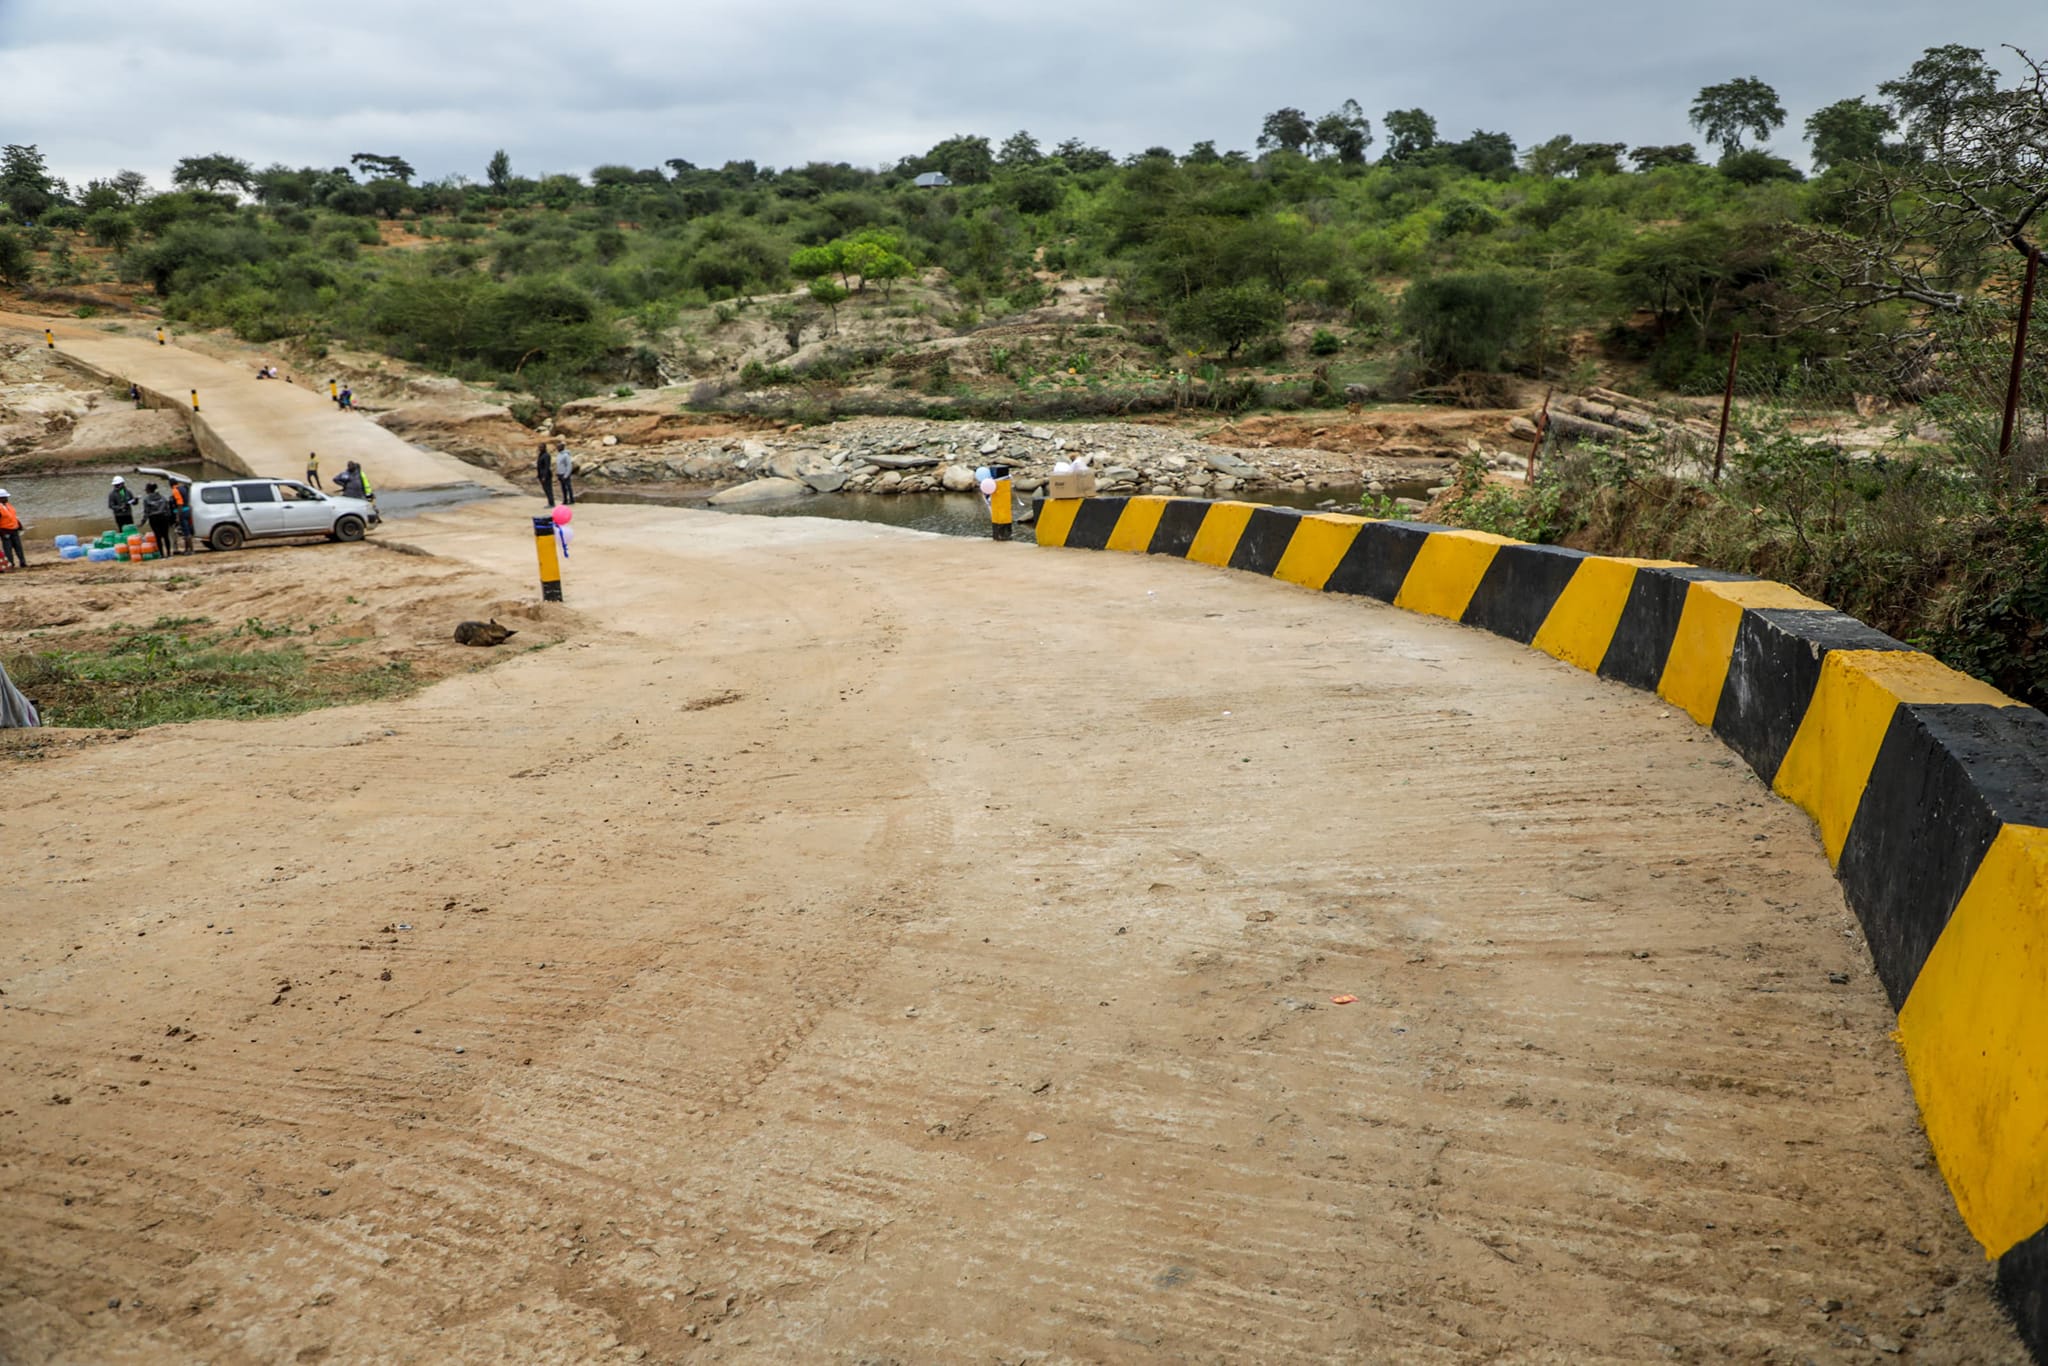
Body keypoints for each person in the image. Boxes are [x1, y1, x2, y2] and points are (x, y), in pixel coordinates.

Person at [142, 483, 175, 553]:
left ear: (148, 490)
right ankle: (168, 553)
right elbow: (167, 509)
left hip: (153, 519)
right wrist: (170, 519)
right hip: (163, 517)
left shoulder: (146, 499)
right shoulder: (162, 497)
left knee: (158, 536)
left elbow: (146, 512)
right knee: (166, 536)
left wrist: (142, 522)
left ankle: (162, 554)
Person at [0, 488, 24, 571]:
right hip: (5, 531)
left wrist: (19, 524)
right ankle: (11, 564)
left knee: (18, 546)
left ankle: (22, 562)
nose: (7, 499)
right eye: (5, 497)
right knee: (8, 548)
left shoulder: (8, 505)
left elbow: (12, 516)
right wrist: (2, 532)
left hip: (14, 529)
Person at [169, 478, 195, 555]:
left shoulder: (175, 490)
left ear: (170, 484)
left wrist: (177, 516)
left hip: (182, 512)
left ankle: (190, 550)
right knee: (187, 531)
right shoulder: (183, 488)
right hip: (187, 511)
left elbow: (179, 503)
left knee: (186, 532)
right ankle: (188, 549)